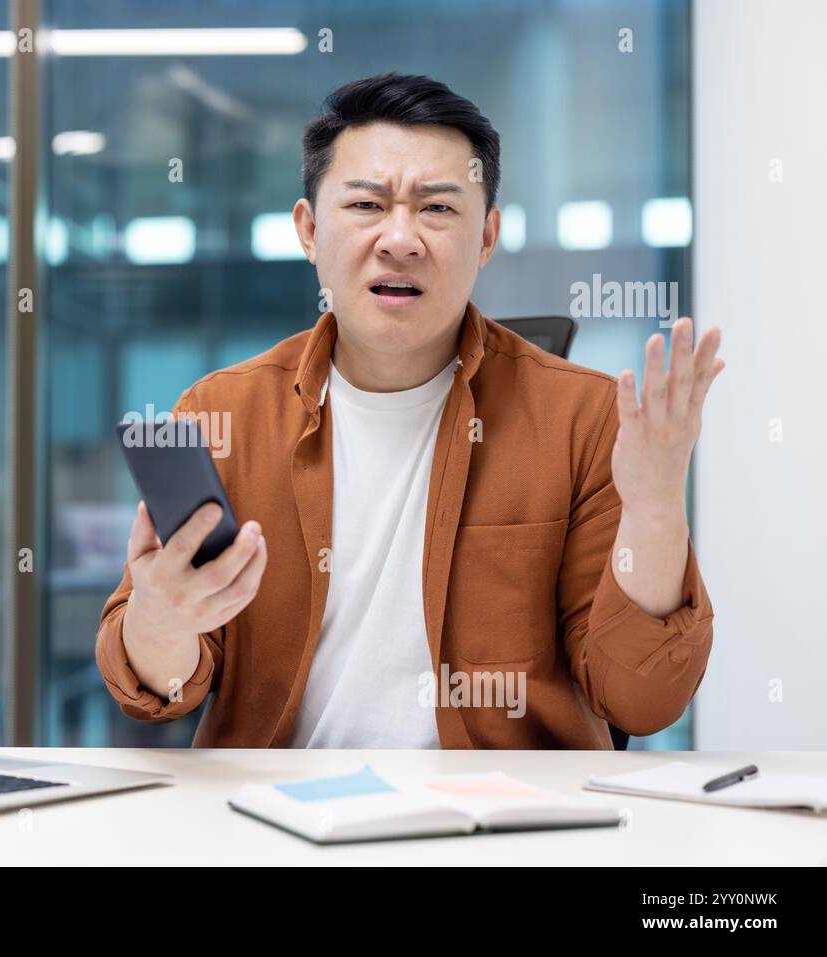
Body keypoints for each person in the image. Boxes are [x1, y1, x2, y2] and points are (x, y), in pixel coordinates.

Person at [96, 71, 723, 749]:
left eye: (437, 209)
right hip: (281, 824)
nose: (401, 239)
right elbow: (157, 688)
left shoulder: (586, 416)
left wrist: (657, 504)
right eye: (366, 205)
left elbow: (642, 697)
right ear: (309, 231)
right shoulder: (223, 413)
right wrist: (163, 619)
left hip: (508, 825)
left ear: (486, 238)